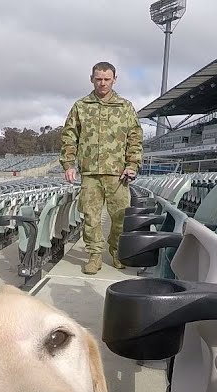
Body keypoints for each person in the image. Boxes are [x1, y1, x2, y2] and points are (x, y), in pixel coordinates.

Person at [60, 61, 143, 275]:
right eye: (98, 79)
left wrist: (133, 164)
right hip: (90, 174)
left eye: (107, 79)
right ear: (91, 79)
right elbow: (69, 136)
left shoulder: (125, 107)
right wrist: (68, 164)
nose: (102, 83)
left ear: (115, 79)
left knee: (120, 217)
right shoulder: (81, 106)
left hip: (118, 174)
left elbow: (135, 137)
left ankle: (115, 251)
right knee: (91, 217)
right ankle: (95, 255)